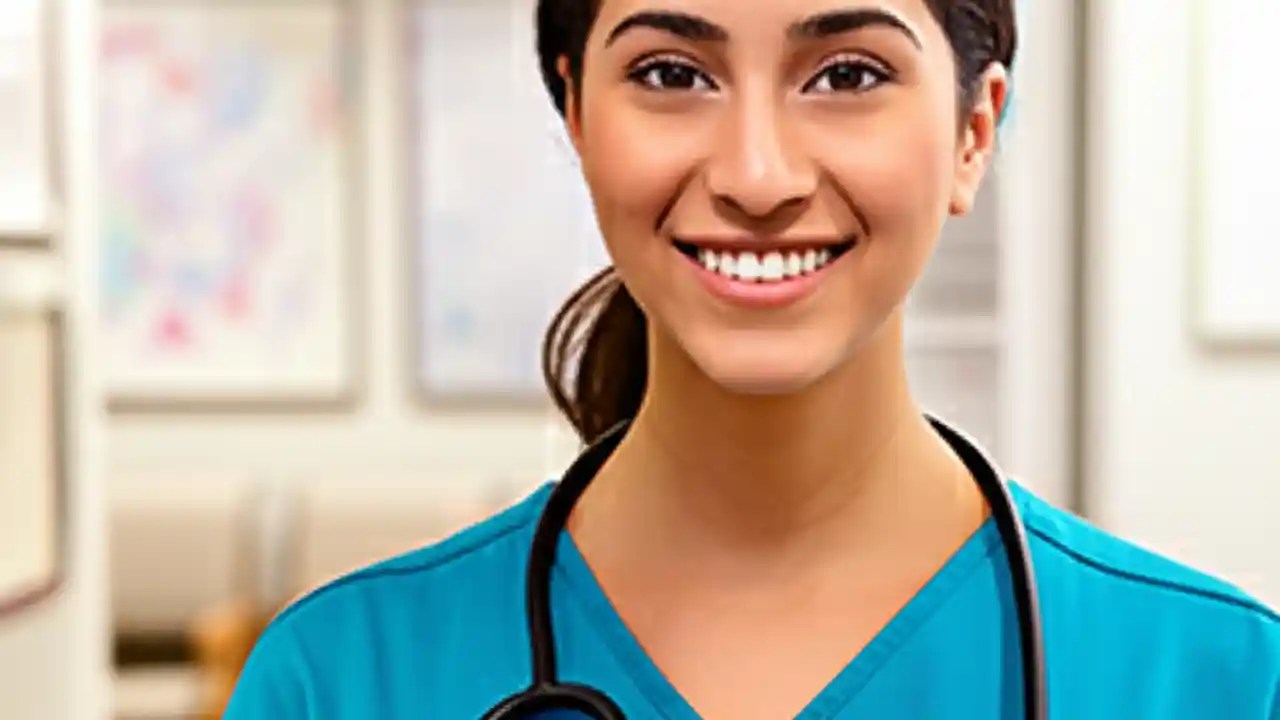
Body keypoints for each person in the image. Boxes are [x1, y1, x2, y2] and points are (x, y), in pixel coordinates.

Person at [224, 0, 1280, 717]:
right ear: (577, 117)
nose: (757, 174)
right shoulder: (342, 681)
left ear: (972, 132)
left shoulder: (1215, 681)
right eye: (672, 73)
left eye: (847, 73)